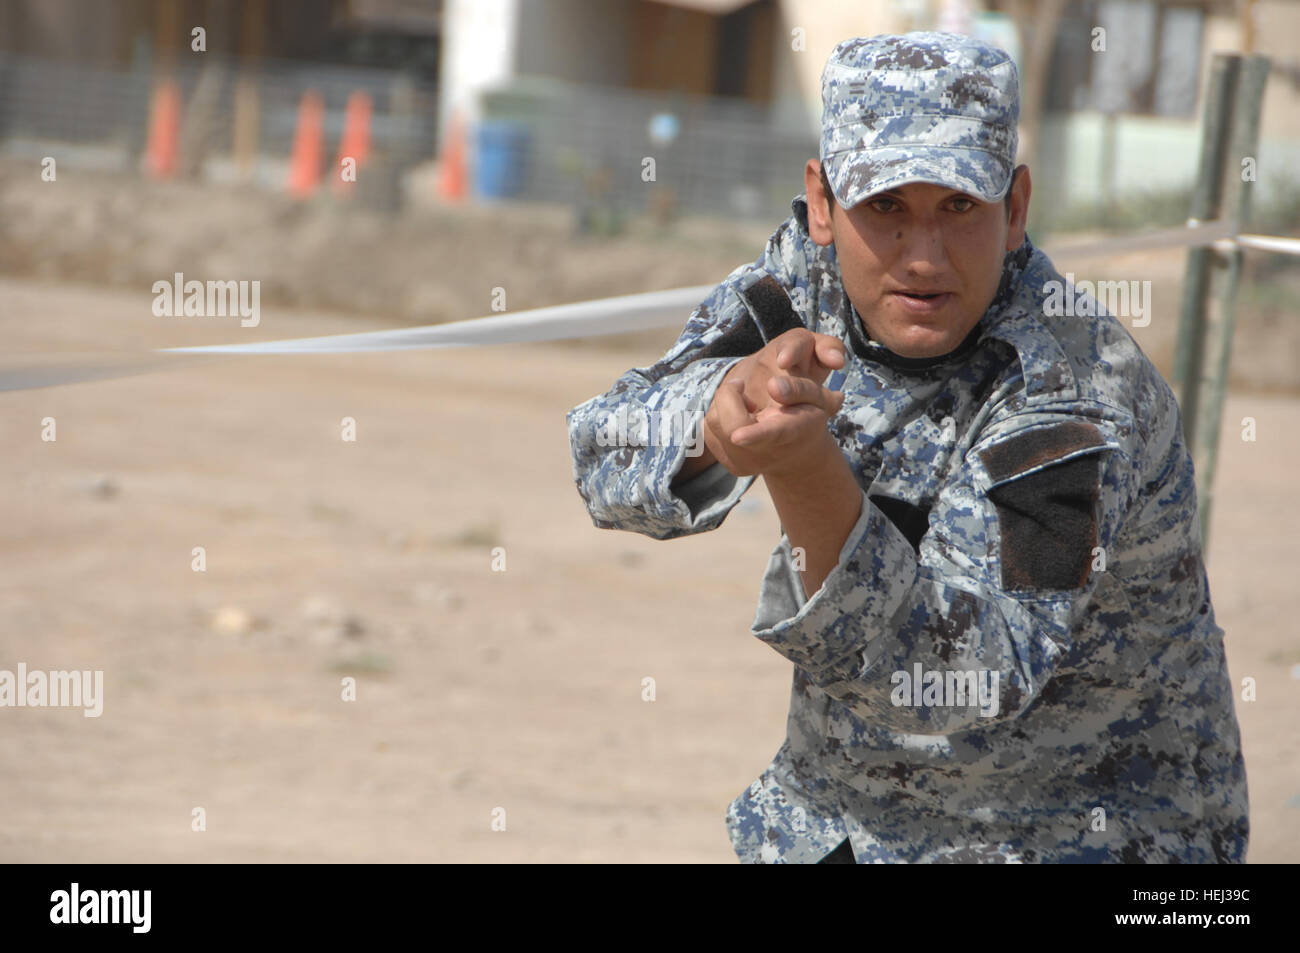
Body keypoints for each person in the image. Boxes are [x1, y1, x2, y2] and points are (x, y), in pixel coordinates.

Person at [565, 32, 1249, 863]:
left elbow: (962, 673)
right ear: (822, 203)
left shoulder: (1074, 390)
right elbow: (602, 450)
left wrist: (805, 474)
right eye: (886, 206)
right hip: (850, 823)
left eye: (959, 207)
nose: (923, 259)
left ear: (1016, 209)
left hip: (1079, 839)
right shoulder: (807, 282)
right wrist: (714, 415)